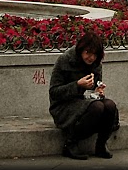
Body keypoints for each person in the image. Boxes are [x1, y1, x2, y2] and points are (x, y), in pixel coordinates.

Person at [48, 31, 119, 160]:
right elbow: (54, 92)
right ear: (81, 50)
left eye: (95, 55)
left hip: (86, 102)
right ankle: (71, 143)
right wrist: (77, 85)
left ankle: (101, 145)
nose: (91, 58)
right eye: (88, 53)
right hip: (63, 107)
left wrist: (99, 91)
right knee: (97, 107)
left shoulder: (96, 64)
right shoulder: (65, 60)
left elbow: (95, 88)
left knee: (109, 105)